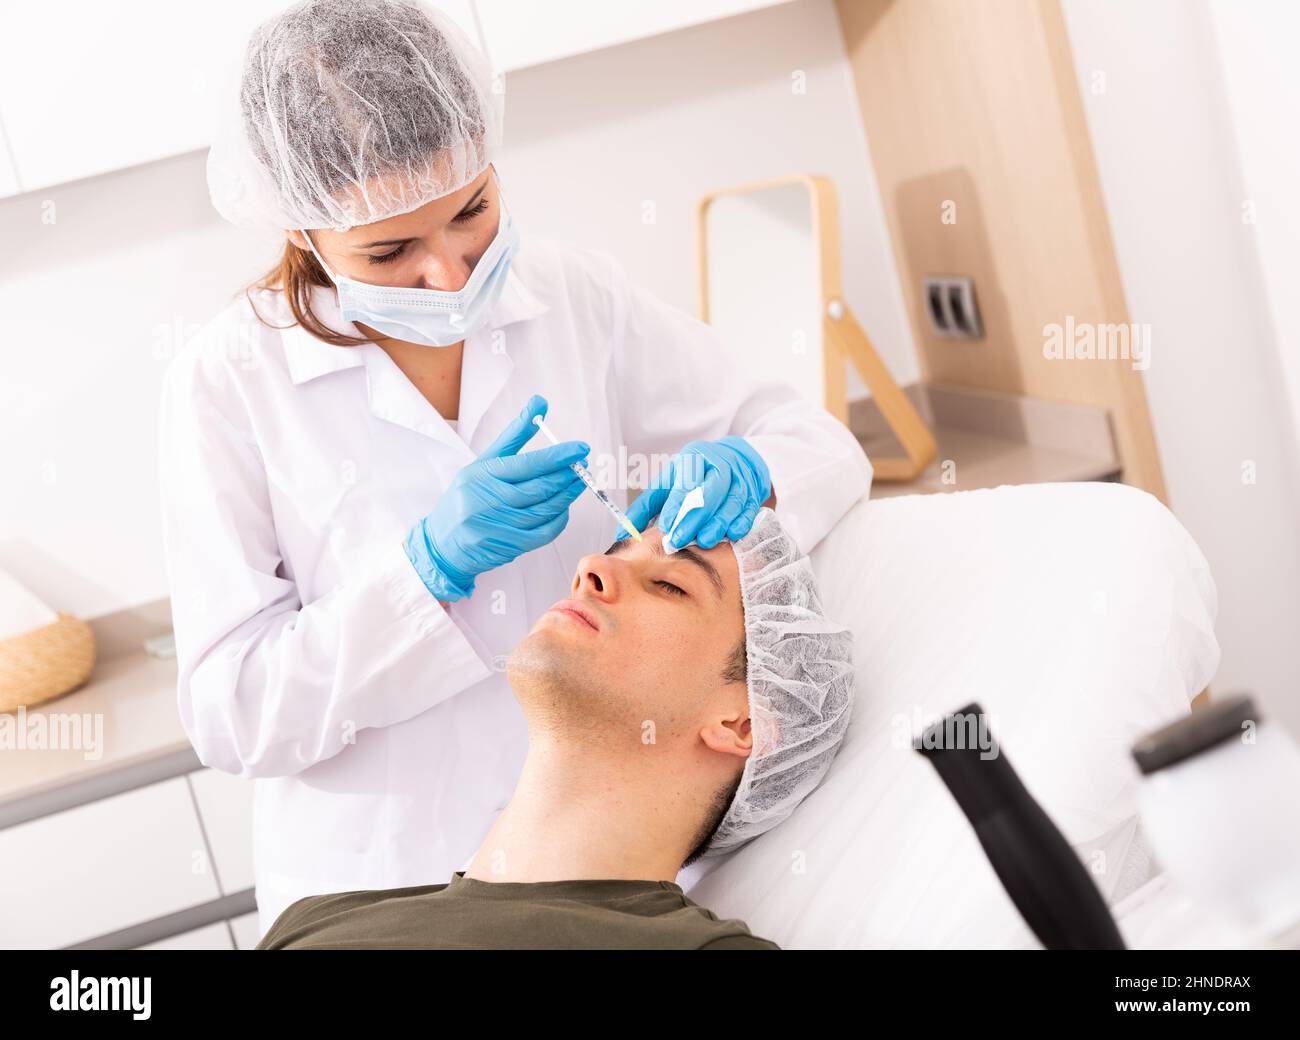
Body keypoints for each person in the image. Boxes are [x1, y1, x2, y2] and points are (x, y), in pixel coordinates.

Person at [158, 0, 872, 937]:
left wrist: (752, 472)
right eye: (390, 250)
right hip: (379, 880)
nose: (452, 274)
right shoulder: (230, 380)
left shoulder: (573, 295)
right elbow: (233, 713)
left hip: (602, 878)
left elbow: (815, 441)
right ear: (303, 230)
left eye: (472, 213)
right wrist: (425, 574)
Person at [256, 509, 854, 948]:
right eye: (613, 553)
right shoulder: (316, 920)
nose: (589, 567)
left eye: (669, 584)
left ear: (740, 720)